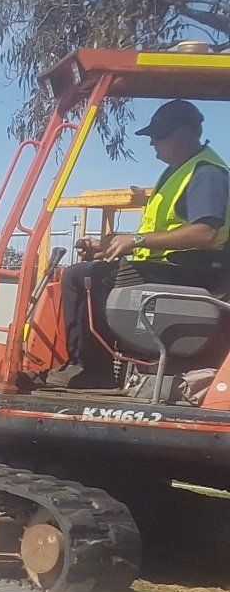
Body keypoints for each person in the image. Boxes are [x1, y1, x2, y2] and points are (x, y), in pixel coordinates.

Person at [54, 98, 230, 388]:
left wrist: (135, 241)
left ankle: (95, 372)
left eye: (157, 137)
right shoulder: (179, 171)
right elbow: (155, 233)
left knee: (86, 278)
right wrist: (106, 245)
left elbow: (205, 233)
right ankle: (85, 364)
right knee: (85, 270)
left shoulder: (205, 174)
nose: (152, 145)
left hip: (194, 269)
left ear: (183, 134)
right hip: (170, 265)